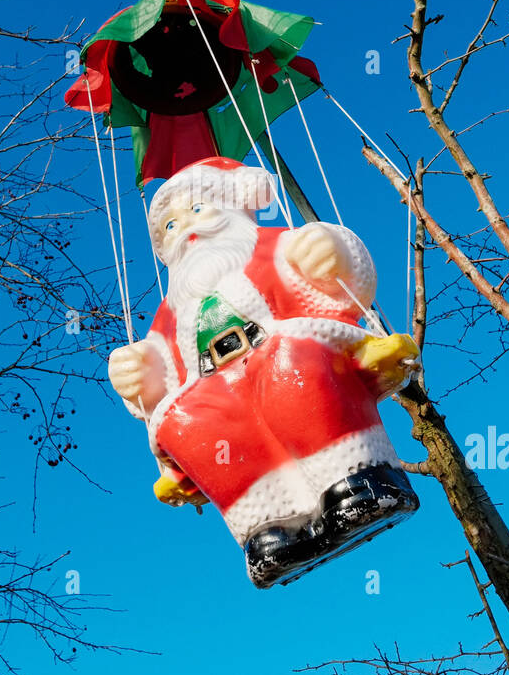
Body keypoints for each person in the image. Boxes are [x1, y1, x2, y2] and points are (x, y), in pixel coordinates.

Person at [108, 156, 419, 587]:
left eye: (197, 208)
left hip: (286, 351)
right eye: (171, 226)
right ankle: (271, 529)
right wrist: (136, 376)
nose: (187, 228)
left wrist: (332, 252)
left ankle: (357, 479)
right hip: (214, 390)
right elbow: (158, 364)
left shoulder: (272, 249)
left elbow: (345, 279)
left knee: (291, 372)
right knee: (187, 422)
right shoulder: (172, 311)